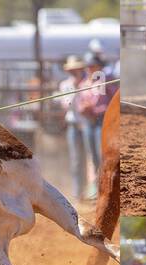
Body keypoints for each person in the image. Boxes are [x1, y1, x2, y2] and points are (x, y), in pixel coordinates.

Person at [77, 53, 110, 200]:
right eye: (88, 66)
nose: (90, 68)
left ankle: (103, 187)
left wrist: (95, 108)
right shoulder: (83, 84)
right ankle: (97, 187)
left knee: (101, 153)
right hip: (89, 122)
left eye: (93, 66)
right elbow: (79, 103)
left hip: (101, 120)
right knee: (93, 156)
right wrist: (83, 108)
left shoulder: (106, 82)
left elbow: (112, 101)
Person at [58, 55, 90, 199]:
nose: (75, 72)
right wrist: (77, 89)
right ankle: (79, 192)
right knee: (77, 160)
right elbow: (67, 105)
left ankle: (91, 190)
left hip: (87, 124)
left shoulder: (89, 83)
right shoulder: (65, 85)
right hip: (73, 125)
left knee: (91, 158)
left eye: (77, 69)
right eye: (73, 70)